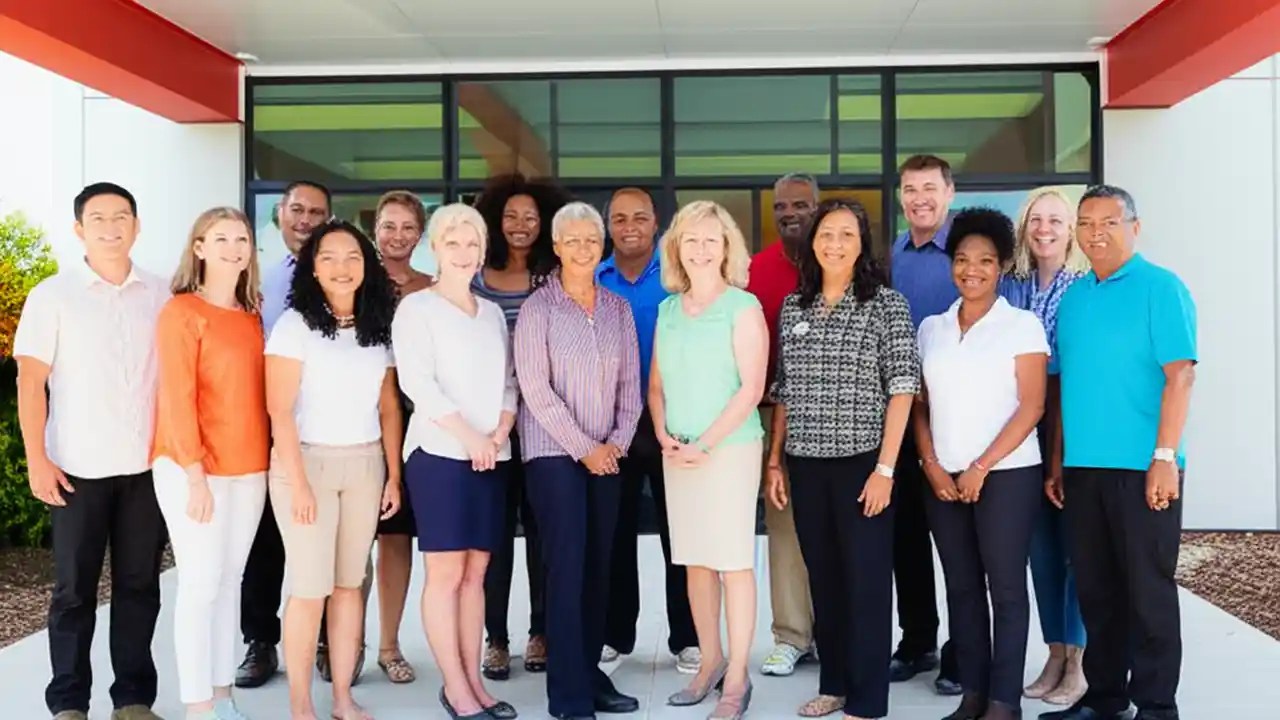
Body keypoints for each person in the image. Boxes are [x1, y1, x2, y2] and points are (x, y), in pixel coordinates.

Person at [14, 183, 171, 720]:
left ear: (137, 224)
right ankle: (68, 703)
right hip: (76, 468)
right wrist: (37, 458)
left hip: (147, 469)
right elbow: (30, 382)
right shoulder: (53, 296)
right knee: (73, 593)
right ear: (79, 229)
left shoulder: (162, 293)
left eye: (121, 216)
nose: (111, 226)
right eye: (98, 218)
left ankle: (131, 699)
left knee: (139, 587)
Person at [1040, 185, 1196, 720]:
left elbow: (1181, 376)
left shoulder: (1161, 288)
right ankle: (1105, 700)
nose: (1096, 232)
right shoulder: (1076, 297)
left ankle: (1155, 707)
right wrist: (1058, 461)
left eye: (1109, 221)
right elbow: (1064, 388)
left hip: (1144, 468)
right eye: (1086, 222)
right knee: (1097, 591)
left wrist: (1164, 456)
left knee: (1147, 593)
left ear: (1135, 226)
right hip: (1084, 470)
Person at [766, 198, 917, 720]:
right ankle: (834, 682)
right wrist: (775, 461)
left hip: (864, 464)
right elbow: (783, 390)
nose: (834, 243)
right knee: (824, 577)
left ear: (862, 243)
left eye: (846, 235)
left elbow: (903, 389)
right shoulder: (794, 307)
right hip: (807, 465)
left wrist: (886, 469)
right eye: (826, 233)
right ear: (812, 242)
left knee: (867, 581)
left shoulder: (885, 305)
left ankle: (870, 699)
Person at [264, 220, 402, 720]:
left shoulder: (376, 326)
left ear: (367, 266)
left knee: (349, 586)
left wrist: (392, 475)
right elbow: (278, 409)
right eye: (329, 258)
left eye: (353, 257)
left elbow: (389, 407)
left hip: (364, 464)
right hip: (306, 463)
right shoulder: (293, 326)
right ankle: (302, 706)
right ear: (312, 268)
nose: (342, 268)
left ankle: (342, 697)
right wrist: (298, 482)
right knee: (309, 588)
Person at [914, 208, 1049, 720]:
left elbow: (1032, 406)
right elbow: (920, 405)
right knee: (962, 589)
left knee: (1007, 590)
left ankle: (1003, 703)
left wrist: (981, 466)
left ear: (1002, 265)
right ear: (952, 264)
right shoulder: (932, 328)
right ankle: (972, 696)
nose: (973, 269)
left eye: (986, 261)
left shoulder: (1021, 325)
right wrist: (930, 464)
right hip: (942, 478)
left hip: (1008, 475)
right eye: (964, 259)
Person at [513, 202, 643, 720]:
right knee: (566, 570)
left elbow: (631, 386)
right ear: (557, 246)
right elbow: (535, 389)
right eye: (573, 240)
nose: (584, 248)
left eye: (593, 239)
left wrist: (614, 442)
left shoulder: (617, 309)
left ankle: (590, 674)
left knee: (599, 569)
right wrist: (583, 448)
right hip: (553, 456)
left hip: (608, 456)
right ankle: (568, 695)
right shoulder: (537, 310)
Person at [392, 203, 518, 720]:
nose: (464, 253)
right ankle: (456, 688)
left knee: (476, 573)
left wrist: (502, 428)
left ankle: (472, 682)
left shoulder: (489, 313)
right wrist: (471, 436)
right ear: (435, 249)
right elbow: (417, 384)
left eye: (472, 243)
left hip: (493, 455)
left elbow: (509, 381)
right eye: (453, 243)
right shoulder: (416, 309)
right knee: (444, 574)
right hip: (441, 455)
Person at [152, 208, 269, 720]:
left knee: (231, 582)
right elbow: (176, 398)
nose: (233, 247)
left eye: (241, 238)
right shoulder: (181, 312)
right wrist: (195, 476)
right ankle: (198, 705)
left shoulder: (251, 315)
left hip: (250, 466)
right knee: (199, 584)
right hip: (191, 468)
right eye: (220, 238)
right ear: (198, 247)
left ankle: (222, 697)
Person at [653, 200, 768, 720]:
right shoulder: (668, 309)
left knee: (732, 563)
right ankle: (710, 661)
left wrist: (704, 444)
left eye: (711, 239)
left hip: (729, 451)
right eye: (691, 239)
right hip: (677, 452)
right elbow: (656, 386)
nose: (701, 249)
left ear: (726, 248)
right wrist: (663, 434)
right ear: (677, 246)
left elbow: (751, 389)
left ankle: (738, 677)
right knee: (695, 562)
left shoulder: (743, 307)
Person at [597, 187, 699, 674]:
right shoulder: (593, 278)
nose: (629, 226)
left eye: (639, 217)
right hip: (612, 424)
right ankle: (615, 633)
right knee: (613, 533)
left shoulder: (678, 276)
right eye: (619, 218)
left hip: (671, 422)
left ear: (656, 222)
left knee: (679, 532)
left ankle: (688, 637)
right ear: (607, 225)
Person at [473, 174, 570, 681]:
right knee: (493, 534)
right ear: (495, 218)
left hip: (543, 424)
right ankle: (496, 638)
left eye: (531, 217)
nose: (520, 225)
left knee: (540, 534)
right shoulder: (476, 276)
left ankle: (540, 631)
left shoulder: (552, 277)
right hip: (487, 424)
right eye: (511, 216)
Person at [238, 180, 332, 689]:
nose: (306, 219)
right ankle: (261, 641)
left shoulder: (346, 277)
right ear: (279, 214)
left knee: (329, 540)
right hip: (270, 428)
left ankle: (327, 640)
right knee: (265, 540)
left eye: (316, 212)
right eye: (297, 209)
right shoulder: (257, 281)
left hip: (332, 431)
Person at [1007, 189, 1090, 707]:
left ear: (1071, 229)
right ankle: (1054, 652)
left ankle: (1079, 662)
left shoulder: (1083, 288)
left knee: (1076, 549)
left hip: (1071, 423)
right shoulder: (1012, 288)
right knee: (1041, 549)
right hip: (1021, 424)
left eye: (1055, 220)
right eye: (1036, 220)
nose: (1045, 229)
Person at [889, 155, 962, 695]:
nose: (920, 198)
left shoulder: (970, 250)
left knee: (961, 547)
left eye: (930, 188)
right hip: (903, 414)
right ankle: (918, 641)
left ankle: (964, 652)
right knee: (906, 539)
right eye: (911, 188)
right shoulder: (893, 252)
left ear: (949, 192)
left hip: (960, 418)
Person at [745, 173, 819, 679]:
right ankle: (793, 635)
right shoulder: (755, 269)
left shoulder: (842, 259)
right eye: (781, 206)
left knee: (838, 527)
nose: (790, 212)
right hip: (773, 414)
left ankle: (834, 630)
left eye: (800, 204)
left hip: (838, 416)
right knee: (786, 528)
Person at [371, 190, 434, 685]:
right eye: (389, 226)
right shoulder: (351, 276)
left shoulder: (430, 289)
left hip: (412, 423)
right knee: (347, 545)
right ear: (376, 228)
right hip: (353, 422)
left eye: (407, 227)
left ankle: (389, 645)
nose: (397, 236)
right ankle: (340, 641)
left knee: (395, 538)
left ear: (421, 233)